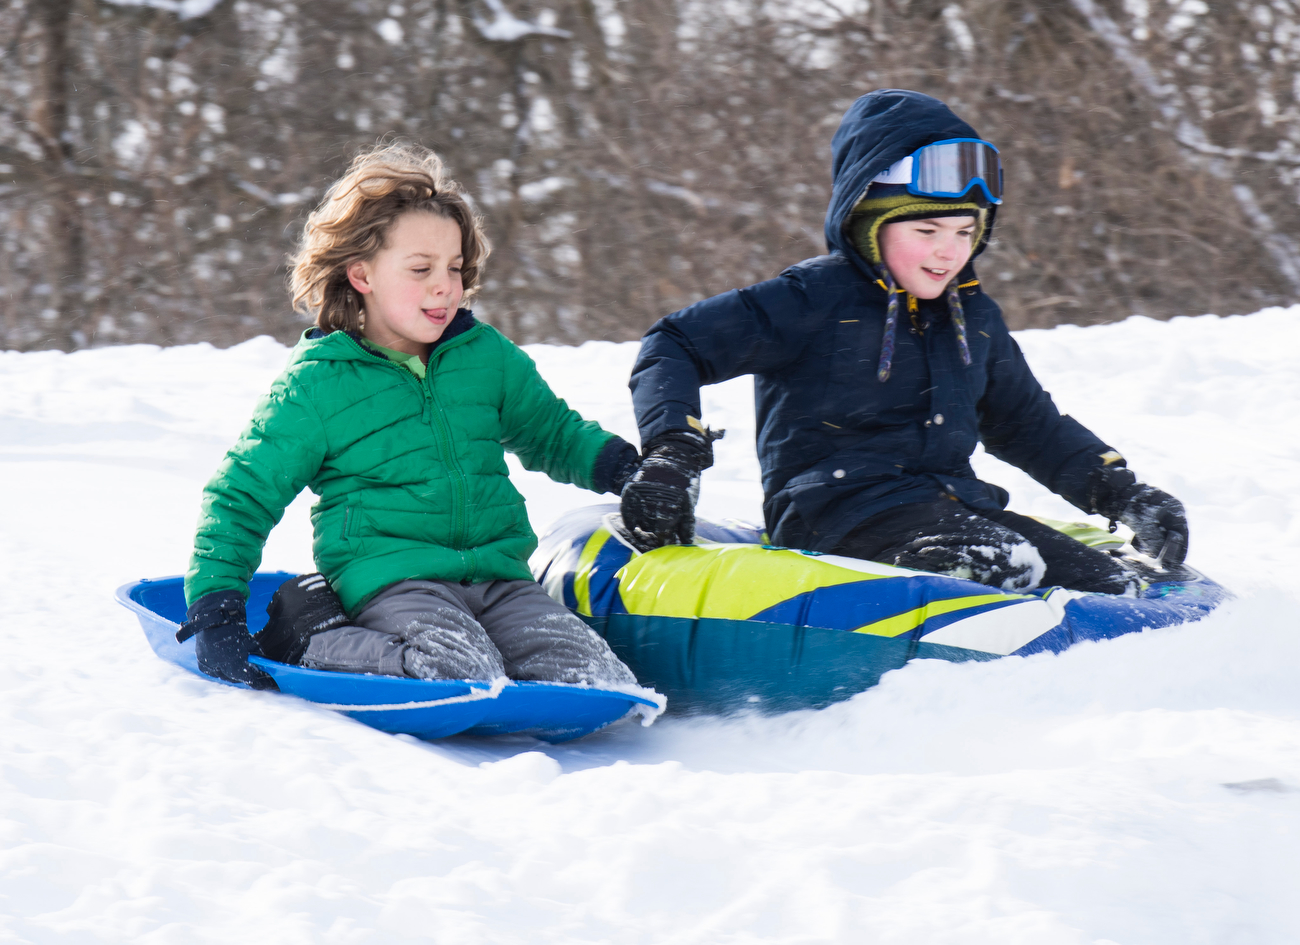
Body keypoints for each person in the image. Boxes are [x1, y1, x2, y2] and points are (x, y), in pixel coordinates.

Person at [619, 89, 1188, 595]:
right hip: (835, 511)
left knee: (1111, 586)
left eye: (966, 232)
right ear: (868, 222)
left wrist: (1121, 493)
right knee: (994, 564)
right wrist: (673, 451)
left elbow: (1029, 427)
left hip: (955, 504)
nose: (949, 251)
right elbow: (674, 343)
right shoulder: (813, 298)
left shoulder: (973, 315)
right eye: (926, 231)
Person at [179, 142, 641, 690]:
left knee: (597, 680)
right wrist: (217, 609)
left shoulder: (485, 357)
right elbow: (241, 496)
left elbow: (553, 434)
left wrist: (630, 471)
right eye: (420, 268)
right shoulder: (319, 384)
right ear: (362, 275)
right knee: (456, 671)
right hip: (392, 578)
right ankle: (307, 636)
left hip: (499, 579)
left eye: (454, 267)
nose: (444, 284)